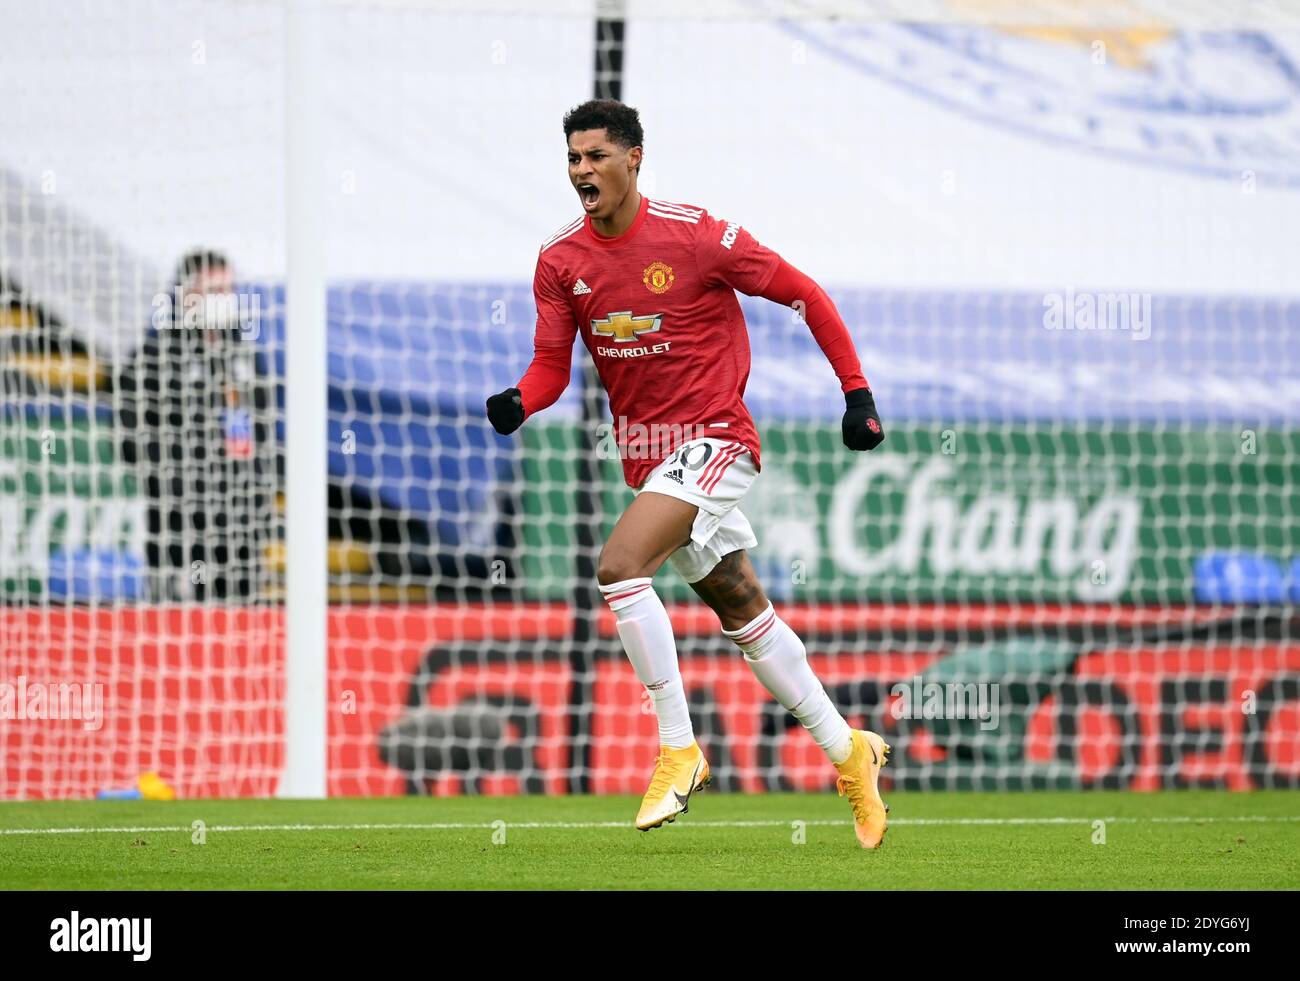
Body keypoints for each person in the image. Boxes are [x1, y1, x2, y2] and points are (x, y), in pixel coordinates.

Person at [486, 100, 892, 847]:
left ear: (634, 159)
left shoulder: (699, 236)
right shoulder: (560, 262)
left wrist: (856, 392)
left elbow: (807, 293)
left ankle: (678, 747)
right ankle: (849, 750)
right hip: (651, 458)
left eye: (596, 156)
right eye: (573, 158)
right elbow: (550, 366)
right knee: (742, 607)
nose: (582, 171)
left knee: (619, 566)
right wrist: (522, 400)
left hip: (717, 439)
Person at [116, 249, 276, 602]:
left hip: (240, 511)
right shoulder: (155, 355)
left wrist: (262, 477)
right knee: (182, 610)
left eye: (230, 291)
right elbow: (133, 430)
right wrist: (169, 477)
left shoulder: (245, 353)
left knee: (240, 606)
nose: (227, 300)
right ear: (188, 295)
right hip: (182, 516)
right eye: (216, 292)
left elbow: (263, 422)